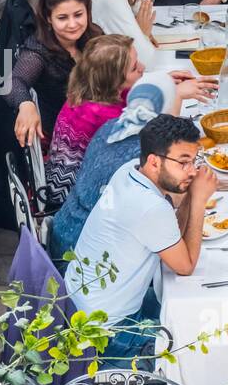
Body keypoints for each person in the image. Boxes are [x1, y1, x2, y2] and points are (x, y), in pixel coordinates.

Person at [63, 116, 216, 368]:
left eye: (194, 161)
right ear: (155, 162)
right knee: (197, 335)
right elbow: (185, 266)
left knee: (175, 304)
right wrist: (198, 200)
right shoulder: (149, 207)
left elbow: (168, 235)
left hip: (78, 308)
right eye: (184, 162)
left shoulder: (129, 171)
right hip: (107, 333)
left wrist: (188, 191)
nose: (193, 171)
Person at [49, 71, 214, 259]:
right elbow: (173, 207)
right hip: (81, 256)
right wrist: (198, 193)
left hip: (63, 230)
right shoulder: (145, 155)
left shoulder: (113, 126)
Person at [42, 34, 144, 208]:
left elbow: (133, 94)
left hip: (61, 176)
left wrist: (163, 82)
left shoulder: (90, 88)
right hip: (78, 197)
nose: (143, 67)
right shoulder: (101, 115)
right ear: (114, 80)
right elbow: (144, 145)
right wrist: (174, 96)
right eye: (134, 68)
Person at [6, 0, 103, 147]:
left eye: (78, 15)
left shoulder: (95, 35)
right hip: (60, 139)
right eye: (62, 18)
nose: (72, 24)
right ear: (49, 18)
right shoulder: (39, 49)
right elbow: (14, 82)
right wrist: (25, 103)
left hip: (96, 124)